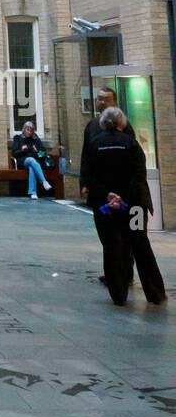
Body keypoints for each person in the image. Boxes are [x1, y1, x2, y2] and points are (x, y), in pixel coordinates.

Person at [82, 105, 166, 307]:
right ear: (122, 122)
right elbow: (138, 176)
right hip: (134, 206)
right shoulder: (131, 144)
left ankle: (118, 294)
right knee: (140, 244)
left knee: (111, 246)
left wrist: (108, 195)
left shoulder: (95, 145)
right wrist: (123, 197)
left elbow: (89, 175)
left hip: (106, 207)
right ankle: (154, 292)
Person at [10, 120, 53, 199]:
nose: (29, 132)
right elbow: (14, 154)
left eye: (31, 130)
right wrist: (22, 150)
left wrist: (36, 151)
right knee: (31, 160)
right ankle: (43, 181)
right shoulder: (18, 138)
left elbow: (43, 153)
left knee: (32, 167)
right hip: (22, 161)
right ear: (24, 129)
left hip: (34, 162)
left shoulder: (36, 139)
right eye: (27, 130)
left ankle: (33, 192)